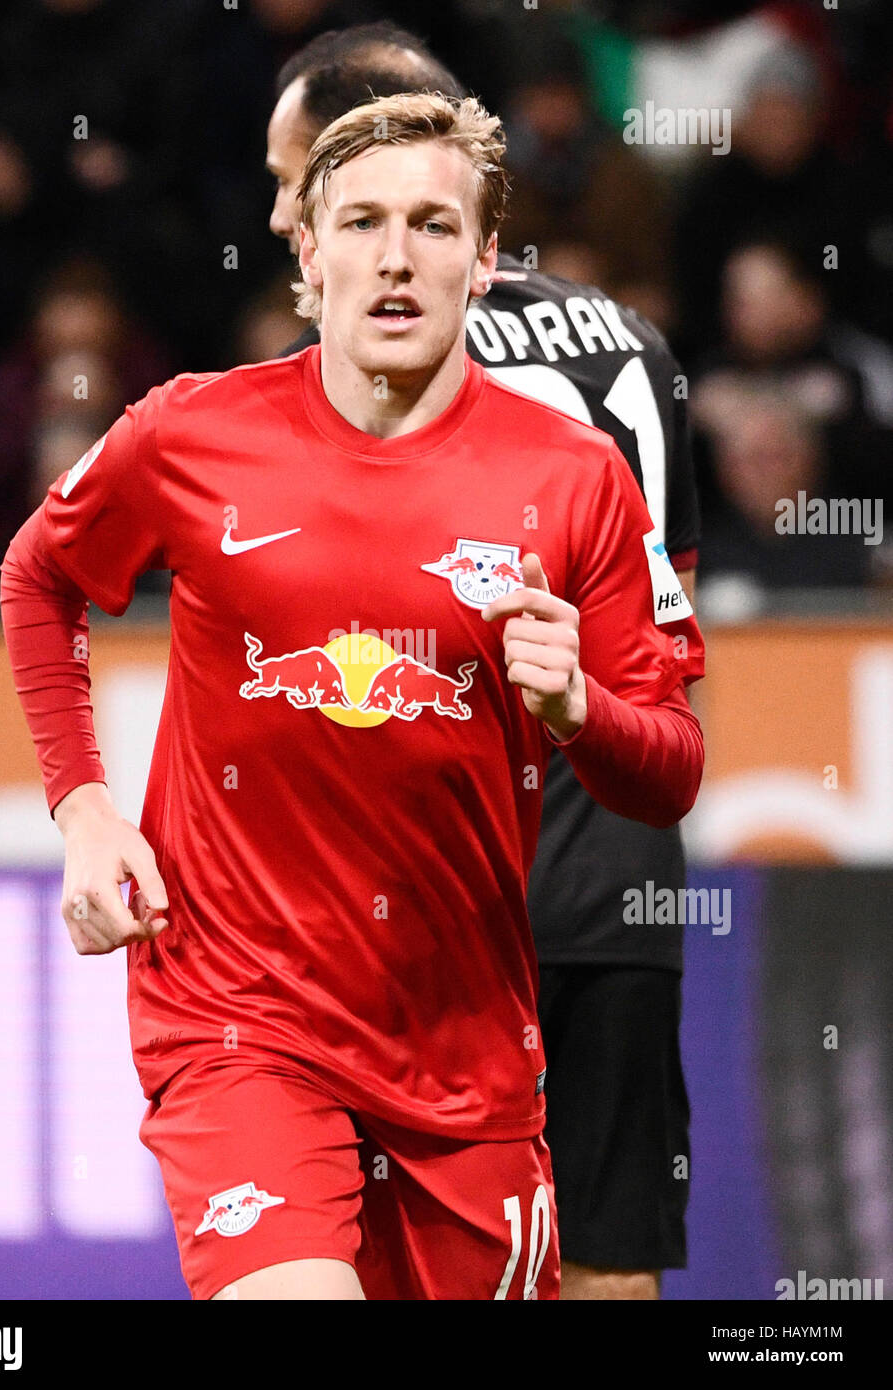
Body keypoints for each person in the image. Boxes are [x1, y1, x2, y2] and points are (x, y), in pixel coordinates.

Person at [1, 91, 704, 1301]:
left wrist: (581, 709)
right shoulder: (191, 434)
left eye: (433, 225)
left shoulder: (575, 480)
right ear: (306, 251)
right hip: (238, 1018)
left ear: (484, 260)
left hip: (463, 1056)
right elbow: (39, 576)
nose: (394, 257)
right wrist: (84, 812)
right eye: (362, 222)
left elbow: (670, 766)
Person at [267, 24, 700, 1299]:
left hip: (424, 899)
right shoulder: (634, 346)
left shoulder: (352, 373)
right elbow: (663, 648)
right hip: (613, 885)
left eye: (300, 180)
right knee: (609, 1259)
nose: (295, 219)